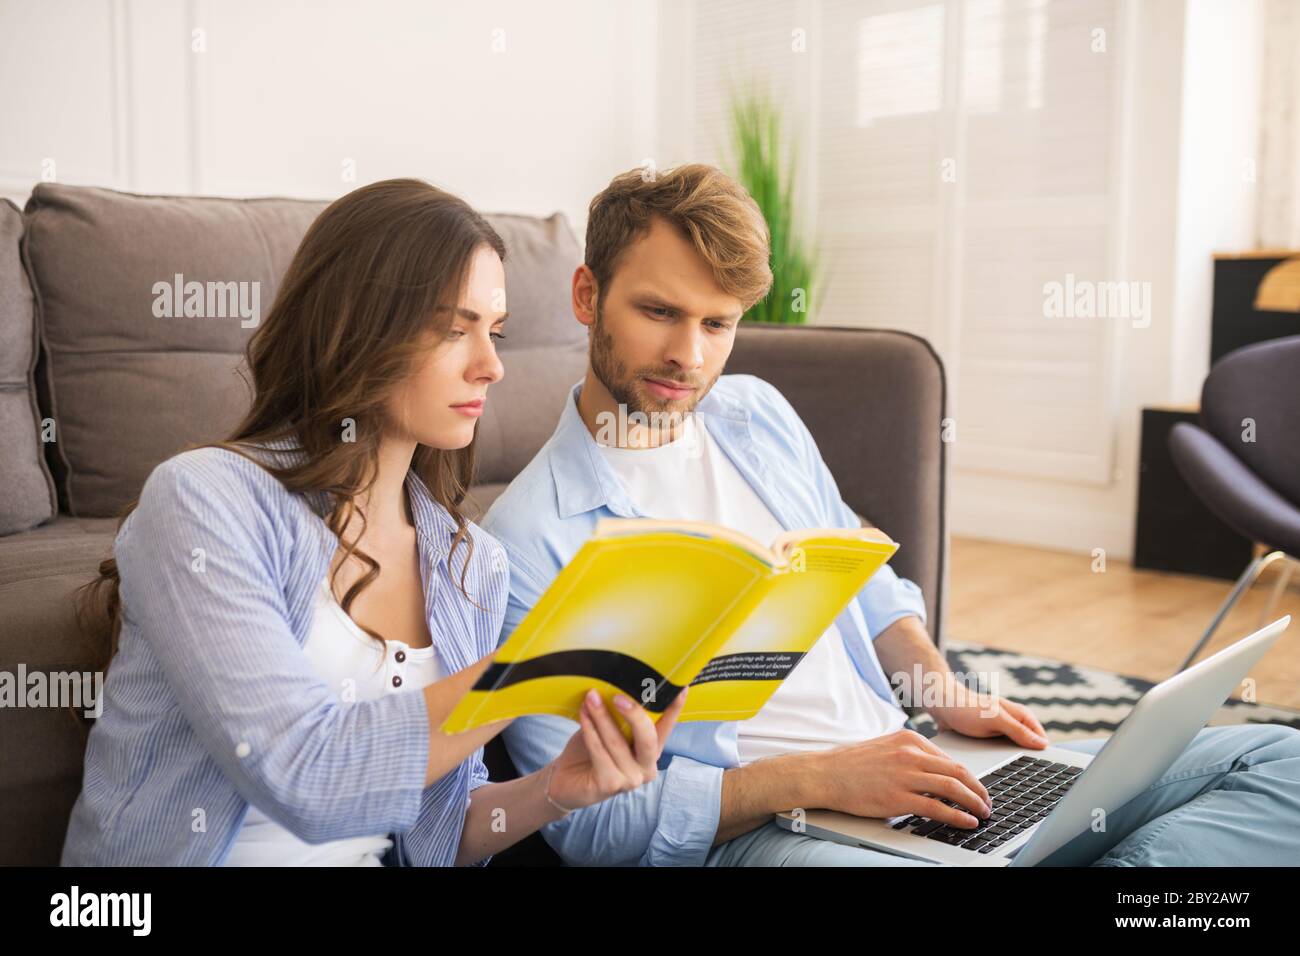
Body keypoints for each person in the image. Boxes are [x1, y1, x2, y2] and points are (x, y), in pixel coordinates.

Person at [482, 163, 1300, 867]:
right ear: (588, 296)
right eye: (659, 312)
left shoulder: (754, 415)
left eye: (718, 324)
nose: (689, 357)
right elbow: (590, 824)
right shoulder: (529, 541)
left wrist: (940, 692)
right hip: (773, 826)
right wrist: (821, 780)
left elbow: (866, 582)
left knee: (1280, 759)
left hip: (915, 761)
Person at [61, 178, 683, 867]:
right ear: (355, 327)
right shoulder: (206, 500)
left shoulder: (470, 561)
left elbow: (440, 838)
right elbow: (306, 774)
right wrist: (536, 667)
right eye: (455, 329)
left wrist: (557, 791)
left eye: (495, 331)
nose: (492, 366)